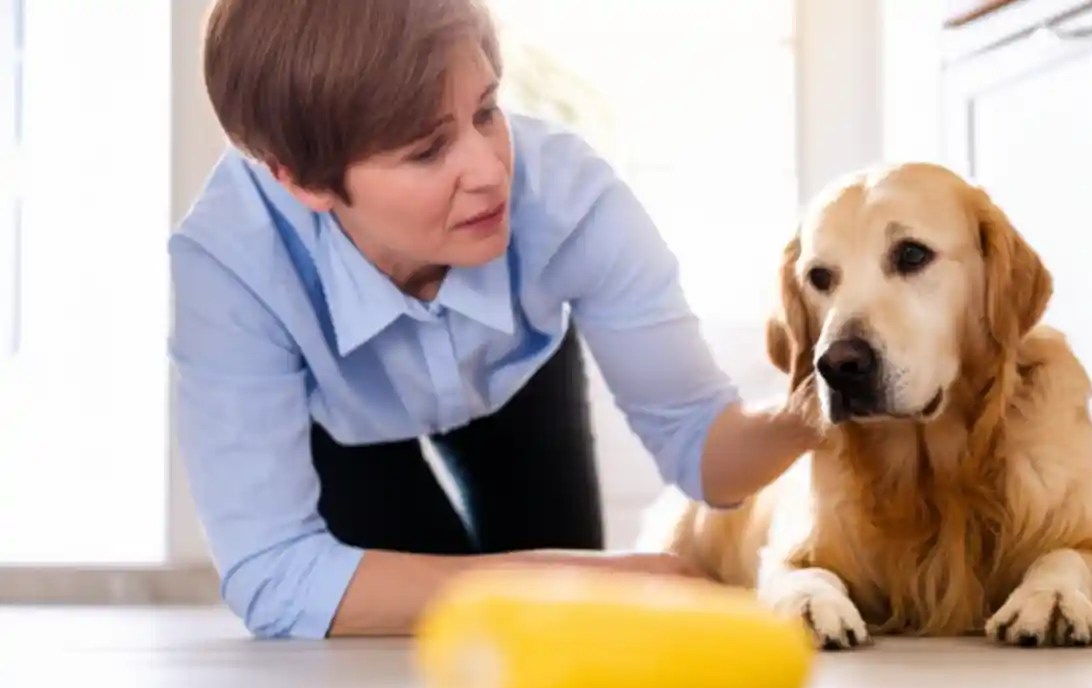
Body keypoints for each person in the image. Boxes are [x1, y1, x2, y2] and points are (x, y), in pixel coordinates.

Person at [171, 0, 817, 639]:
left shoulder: (569, 195)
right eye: (427, 151)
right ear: (301, 181)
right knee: (409, 644)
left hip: (513, 377)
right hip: (339, 422)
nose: (489, 171)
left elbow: (703, 446)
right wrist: (575, 582)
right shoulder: (231, 263)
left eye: (486, 111)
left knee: (556, 638)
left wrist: (815, 410)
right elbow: (276, 577)